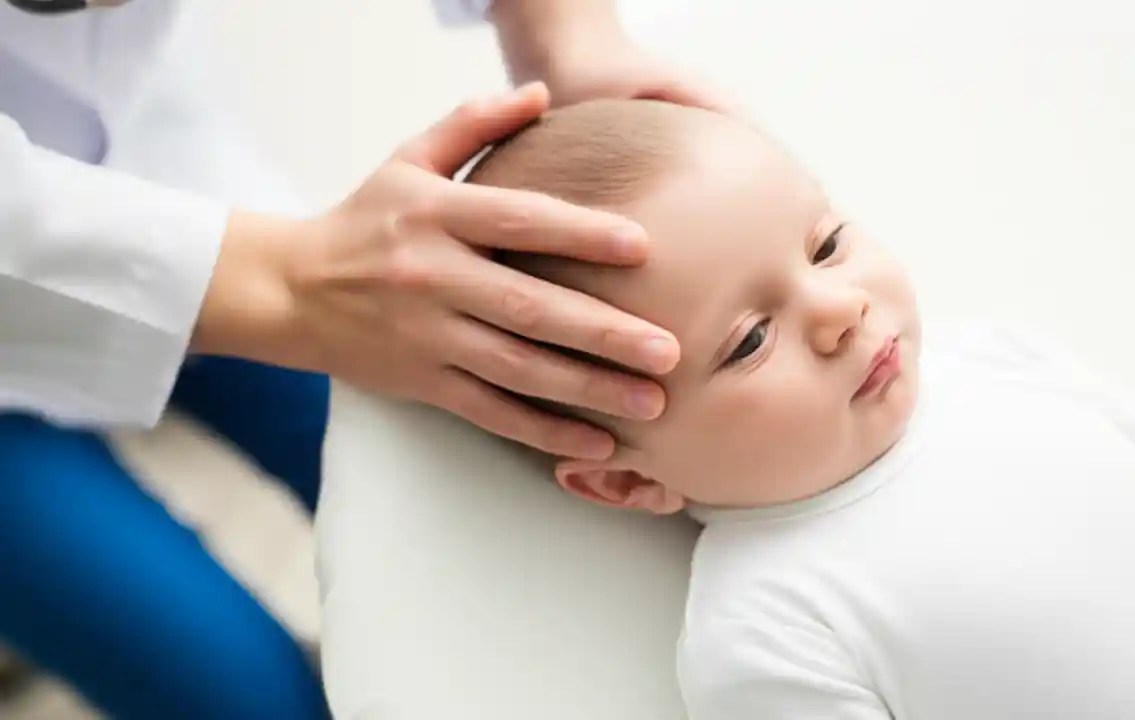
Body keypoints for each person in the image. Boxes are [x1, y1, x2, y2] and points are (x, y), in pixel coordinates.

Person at [0, 1, 725, 718]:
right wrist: (289, 284)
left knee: (475, 523)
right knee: (216, 683)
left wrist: (563, 31)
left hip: (166, 175)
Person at [465, 98, 1135, 718]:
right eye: (748, 341)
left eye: (826, 245)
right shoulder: (768, 623)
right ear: (627, 484)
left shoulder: (995, 364)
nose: (838, 309)